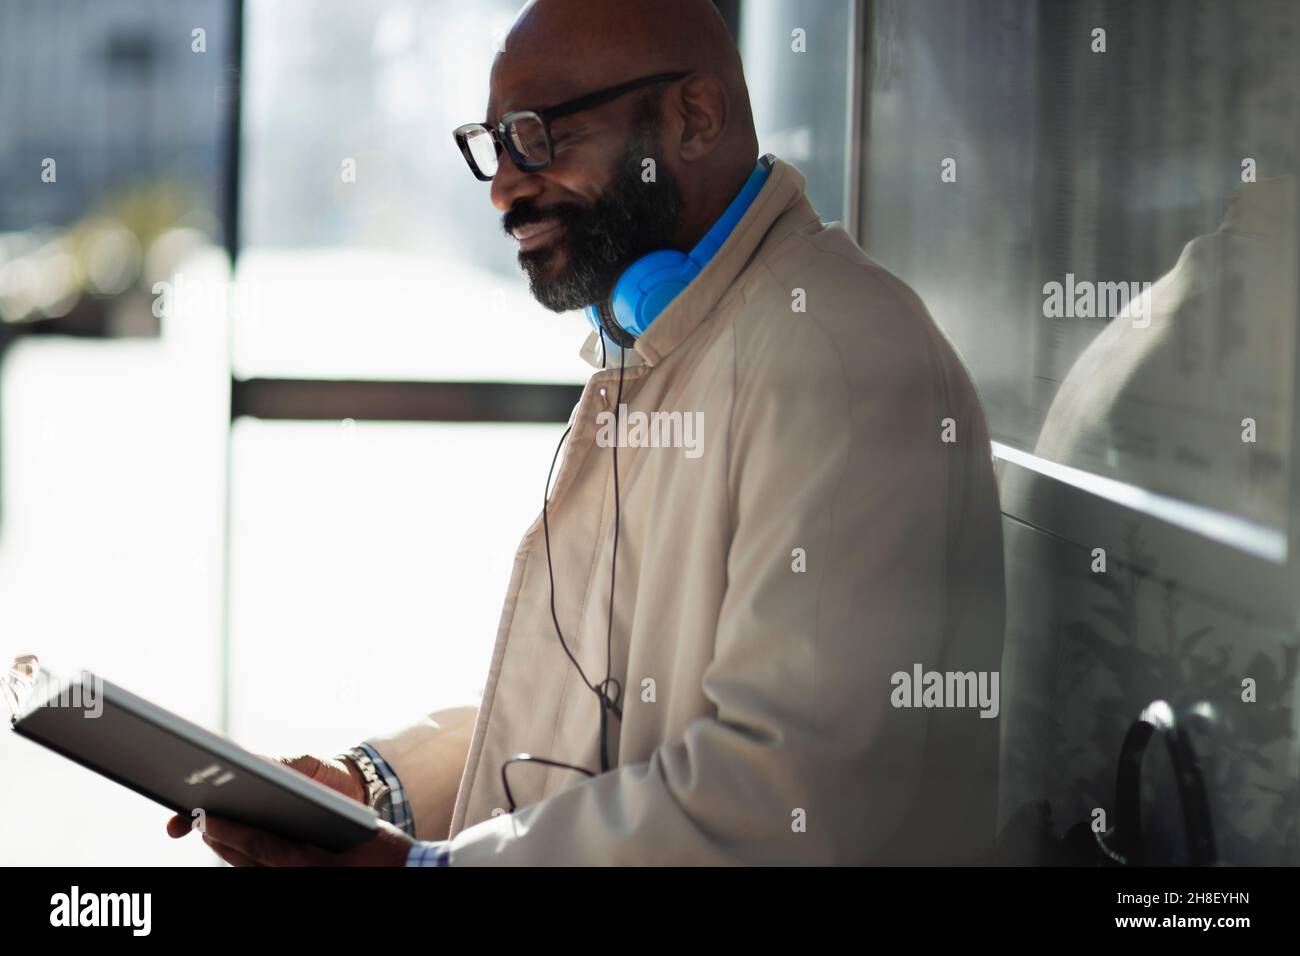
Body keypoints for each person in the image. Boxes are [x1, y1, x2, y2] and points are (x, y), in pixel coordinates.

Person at [168, 0, 1005, 866]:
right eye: (494, 144)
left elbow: (786, 797)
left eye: (538, 134)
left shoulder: (835, 356)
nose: (503, 184)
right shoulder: (682, 340)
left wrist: (428, 870)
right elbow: (582, 716)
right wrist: (374, 789)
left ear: (694, 117)